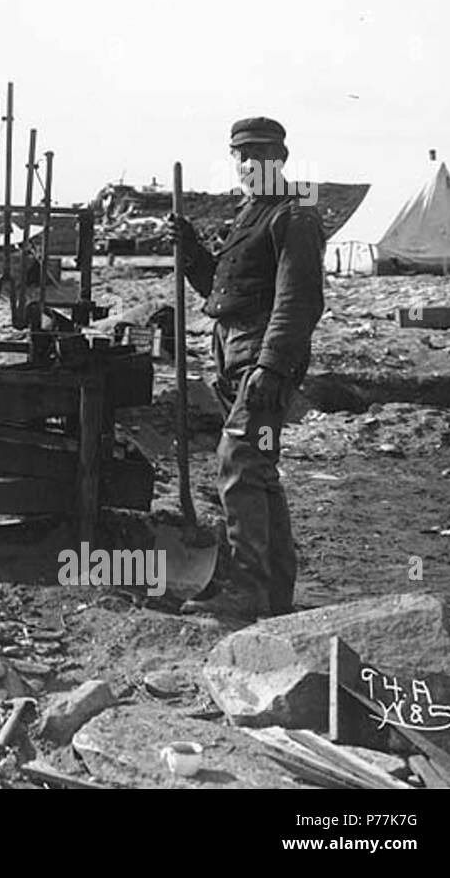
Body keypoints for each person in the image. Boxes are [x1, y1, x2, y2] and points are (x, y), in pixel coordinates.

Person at [163, 117, 325, 620]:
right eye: (242, 156)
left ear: (281, 158)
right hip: (234, 354)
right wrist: (192, 252)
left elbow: (299, 298)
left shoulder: (295, 212)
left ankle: (246, 588)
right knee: (258, 469)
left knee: (238, 460)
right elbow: (224, 289)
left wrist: (272, 367)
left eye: (260, 155)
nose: (249, 164)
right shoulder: (251, 213)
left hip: (262, 357)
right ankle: (273, 593)